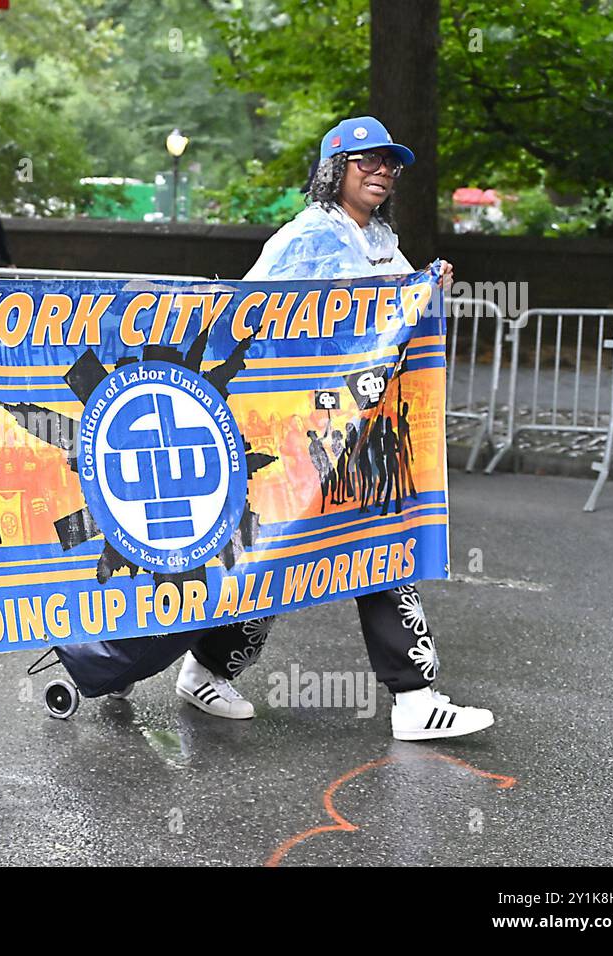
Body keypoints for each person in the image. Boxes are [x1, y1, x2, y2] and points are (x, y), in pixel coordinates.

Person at [173, 116, 492, 741]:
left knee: (368, 547)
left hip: (351, 429)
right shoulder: (309, 238)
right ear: (334, 170)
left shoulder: (377, 237)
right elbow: (249, 319)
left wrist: (427, 288)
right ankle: (127, 665)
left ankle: (414, 698)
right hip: (295, 429)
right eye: (365, 161)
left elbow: (391, 313)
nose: (381, 171)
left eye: (389, 163)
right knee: (268, 555)